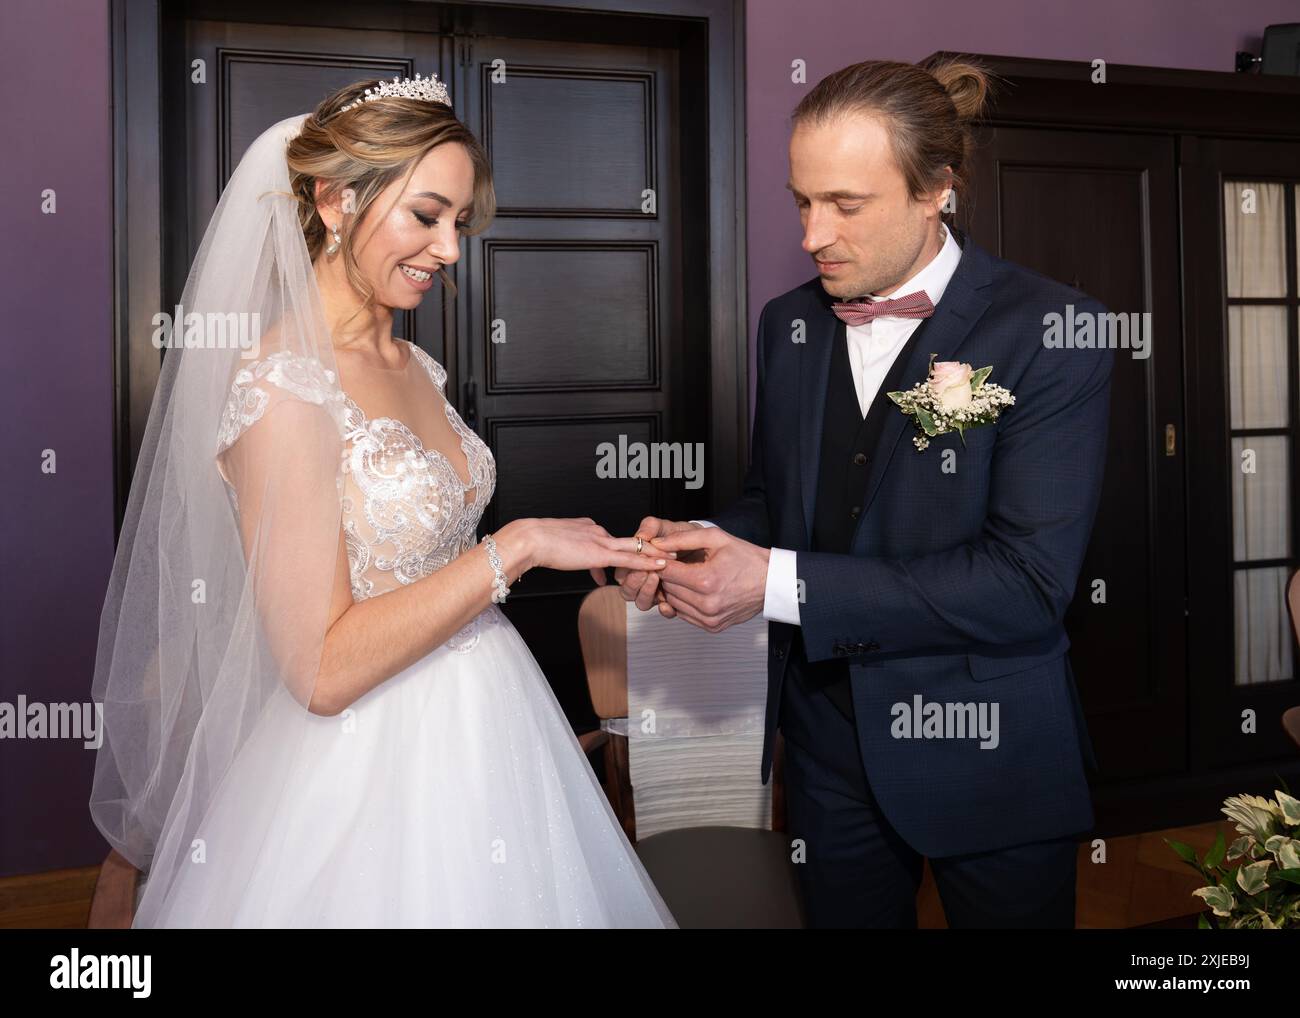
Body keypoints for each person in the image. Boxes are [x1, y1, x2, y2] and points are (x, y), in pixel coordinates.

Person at [89, 74, 676, 928]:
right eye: (425, 216)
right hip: (366, 765)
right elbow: (322, 672)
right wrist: (513, 549)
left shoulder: (417, 368)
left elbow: (431, 548)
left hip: (490, 729)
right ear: (334, 201)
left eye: (458, 224)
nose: (449, 250)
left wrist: (602, 552)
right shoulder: (286, 390)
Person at [617, 58, 1112, 928]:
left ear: (936, 192)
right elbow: (779, 502)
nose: (813, 234)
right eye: (801, 200)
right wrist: (698, 541)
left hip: (988, 745)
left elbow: (1027, 585)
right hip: (824, 751)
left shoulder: (1051, 331)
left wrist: (768, 583)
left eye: (846, 204)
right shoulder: (789, 324)